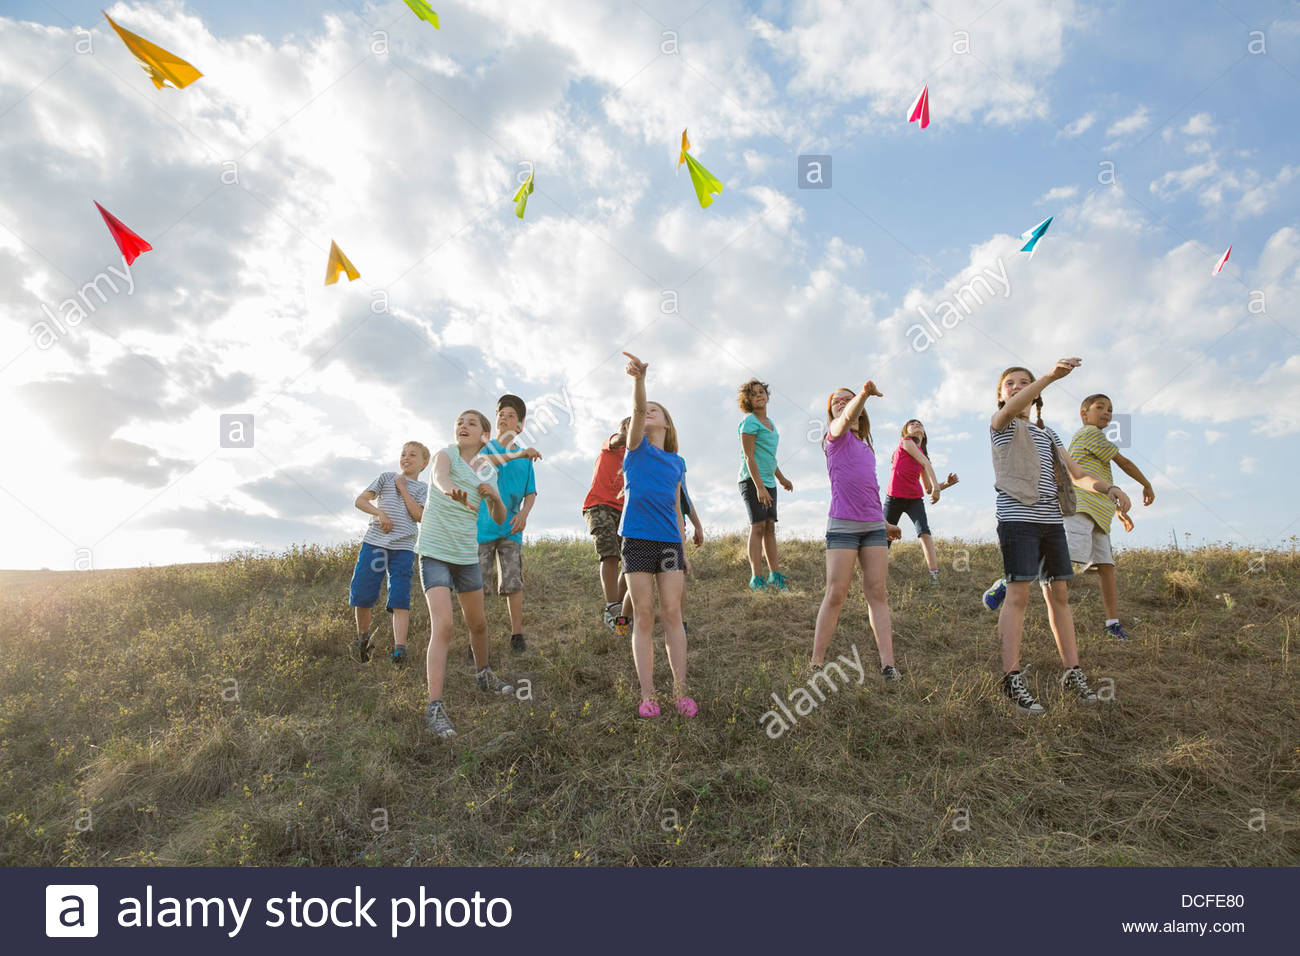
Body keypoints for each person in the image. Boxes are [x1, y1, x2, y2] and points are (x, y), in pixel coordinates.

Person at [984, 360, 1131, 714]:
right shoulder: (1000, 424)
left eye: (1024, 382)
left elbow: (1076, 473)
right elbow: (1015, 408)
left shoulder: (1049, 434)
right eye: (1010, 384)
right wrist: (1048, 378)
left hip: (1052, 521)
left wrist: (1108, 487)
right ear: (1001, 396)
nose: (1017, 387)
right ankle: (1011, 677)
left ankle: (1073, 673)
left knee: (1059, 596)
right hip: (1018, 520)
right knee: (1018, 596)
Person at [417, 411, 520, 739]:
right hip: (435, 553)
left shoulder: (486, 469)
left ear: (485, 437)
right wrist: (451, 491)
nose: (463, 426)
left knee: (478, 624)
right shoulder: (444, 454)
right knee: (444, 624)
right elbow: (439, 478)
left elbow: (500, 515)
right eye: (460, 422)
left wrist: (494, 498)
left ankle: (484, 673)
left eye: (471, 424)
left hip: (465, 557)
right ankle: (434, 705)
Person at [811, 383, 904, 681]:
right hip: (843, 525)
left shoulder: (866, 448)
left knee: (877, 592)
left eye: (847, 400)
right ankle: (816, 662)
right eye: (836, 401)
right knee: (836, 594)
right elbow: (841, 422)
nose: (841, 403)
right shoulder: (833, 437)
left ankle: (888, 665)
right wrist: (862, 395)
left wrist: (884, 522)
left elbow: (868, 489)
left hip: (873, 527)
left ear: (861, 414)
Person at [620, 352, 695, 718]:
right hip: (636, 540)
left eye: (655, 409)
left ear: (667, 422)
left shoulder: (677, 462)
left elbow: (677, 510)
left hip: (668, 543)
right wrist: (639, 381)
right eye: (644, 408)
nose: (647, 411)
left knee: (673, 614)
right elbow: (635, 412)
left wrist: (683, 551)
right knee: (644, 615)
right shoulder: (635, 448)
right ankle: (648, 694)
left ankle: (682, 692)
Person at [1065, 393, 1155, 641]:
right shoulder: (1089, 433)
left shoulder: (1095, 440)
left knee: (1107, 567)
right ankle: (1010, 583)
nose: (1107, 412)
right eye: (1100, 407)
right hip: (1081, 508)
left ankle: (1112, 624)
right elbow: (1123, 462)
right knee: (1062, 558)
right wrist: (1146, 484)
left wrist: (1117, 510)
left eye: (1110, 409)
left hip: (1098, 513)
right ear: (1084, 414)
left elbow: (1101, 476)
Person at [348, 442, 430, 666]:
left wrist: (403, 488)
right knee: (363, 594)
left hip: (403, 548)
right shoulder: (385, 477)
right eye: (403, 454)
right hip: (374, 544)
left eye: (413, 455)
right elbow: (360, 500)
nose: (406, 458)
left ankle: (399, 651)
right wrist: (380, 513)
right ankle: (363, 641)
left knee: (399, 598)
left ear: (424, 463)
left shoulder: (423, 489)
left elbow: (418, 516)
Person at [476, 394, 542, 655]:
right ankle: (477, 635)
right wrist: (517, 455)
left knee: (513, 580)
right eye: (500, 414)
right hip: (482, 528)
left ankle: (517, 634)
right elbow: (483, 464)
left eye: (511, 415)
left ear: (520, 426)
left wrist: (524, 513)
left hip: (511, 529)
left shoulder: (526, 458)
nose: (504, 418)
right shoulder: (486, 447)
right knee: (478, 584)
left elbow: (531, 492)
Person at [883, 419, 958, 584]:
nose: (916, 425)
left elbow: (929, 489)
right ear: (906, 431)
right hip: (894, 498)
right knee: (884, 536)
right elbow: (926, 464)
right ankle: (877, 571)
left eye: (920, 424)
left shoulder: (923, 456)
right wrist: (937, 490)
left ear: (924, 433)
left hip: (914, 499)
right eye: (912, 424)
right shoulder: (907, 442)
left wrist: (945, 484)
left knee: (924, 531)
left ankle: (934, 575)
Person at [737, 378, 793, 591]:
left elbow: (769, 457)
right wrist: (759, 487)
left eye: (761, 392)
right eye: (753, 394)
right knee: (758, 526)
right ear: (748, 401)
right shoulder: (749, 422)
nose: (759, 395)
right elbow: (749, 457)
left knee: (770, 526)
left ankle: (775, 575)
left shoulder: (772, 424)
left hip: (769, 481)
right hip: (751, 481)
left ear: (767, 396)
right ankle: (756, 578)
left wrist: (781, 478)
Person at [582, 418, 634, 633]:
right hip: (600, 505)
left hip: (626, 511)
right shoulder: (612, 444)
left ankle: (619, 609)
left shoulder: (635, 458)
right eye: (631, 427)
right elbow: (618, 439)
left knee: (631, 560)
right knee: (610, 554)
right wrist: (636, 434)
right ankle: (611, 606)